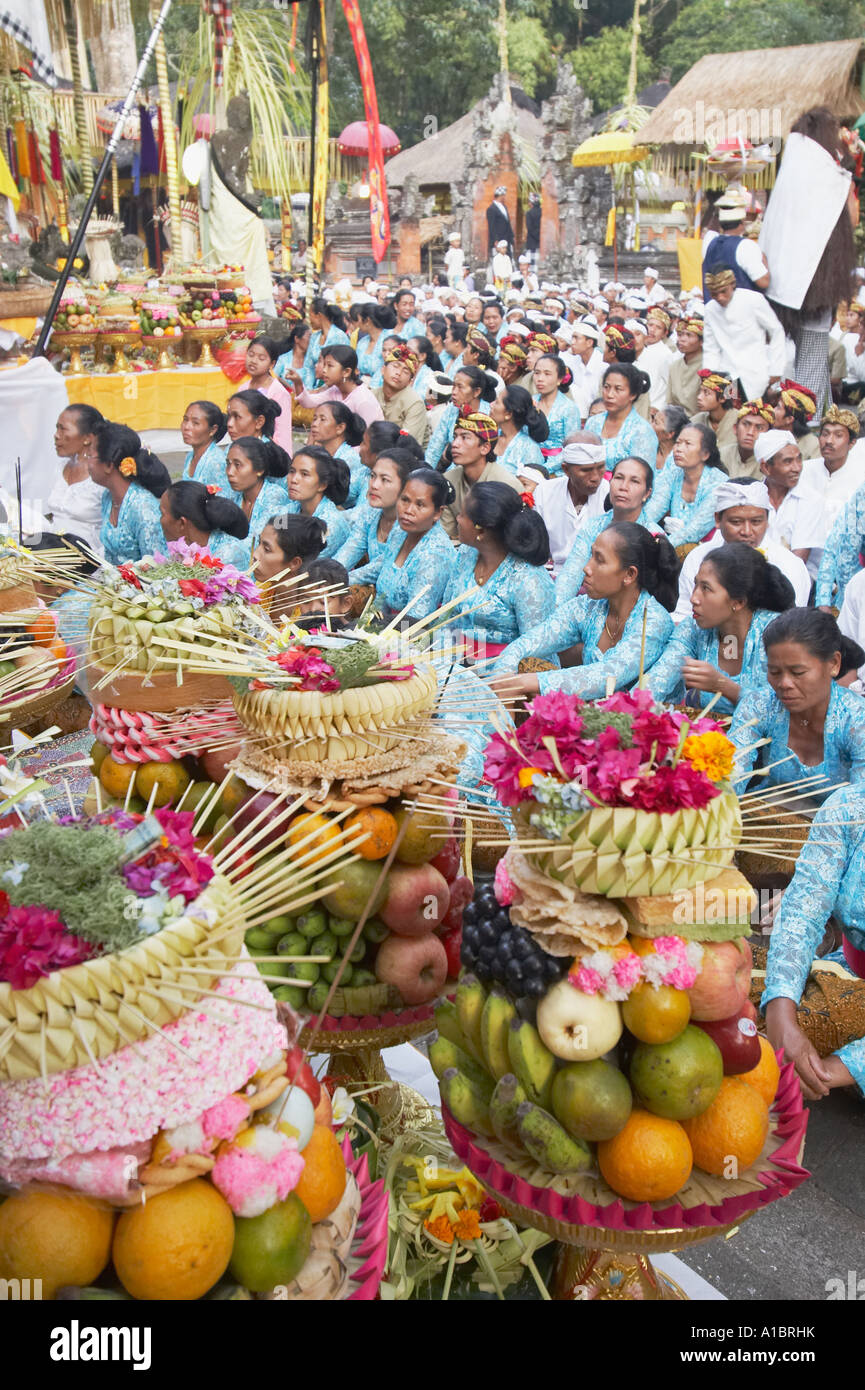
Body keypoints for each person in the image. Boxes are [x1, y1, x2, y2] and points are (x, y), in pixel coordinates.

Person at [488, 522, 678, 699]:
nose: (587, 568)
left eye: (599, 560)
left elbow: (608, 675)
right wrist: (503, 674)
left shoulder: (653, 621)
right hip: (595, 719)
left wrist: (527, 682)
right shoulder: (588, 607)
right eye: (591, 555)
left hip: (638, 728)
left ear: (629, 575)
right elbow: (529, 641)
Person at [763, 782, 865, 1098]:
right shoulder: (850, 808)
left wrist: (834, 1070)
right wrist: (781, 1010)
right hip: (848, 970)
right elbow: (803, 910)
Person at [761, 107, 859, 414]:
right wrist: (849, 166)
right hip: (814, 282)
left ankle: (811, 411)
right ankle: (809, 417)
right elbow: (851, 219)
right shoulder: (828, 173)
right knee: (813, 353)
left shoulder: (795, 162)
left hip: (785, 279)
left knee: (795, 351)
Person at [729, 608, 865, 800]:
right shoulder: (760, 704)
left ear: (834, 664)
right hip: (767, 811)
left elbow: (858, 809)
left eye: (798, 672)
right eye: (775, 672)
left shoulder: (857, 720)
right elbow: (731, 774)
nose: (784, 684)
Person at [647, 542, 795, 713]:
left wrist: (723, 685)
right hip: (705, 736)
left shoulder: (777, 635)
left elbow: (783, 710)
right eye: (696, 585)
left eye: (706, 588)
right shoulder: (694, 627)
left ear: (738, 602)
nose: (694, 598)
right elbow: (658, 680)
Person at [441, 481, 554, 660]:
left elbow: (536, 654)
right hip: (453, 661)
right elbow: (447, 616)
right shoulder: (467, 553)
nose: (457, 519)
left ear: (482, 530)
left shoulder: (529, 580)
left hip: (503, 675)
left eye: (462, 514)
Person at [673, 479, 811, 620]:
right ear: (717, 520)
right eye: (736, 522)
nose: (746, 531)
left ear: (767, 521)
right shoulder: (698, 557)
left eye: (756, 522)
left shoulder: (790, 565)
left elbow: (793, 627)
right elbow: (684, 615)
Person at [557, 455, 659, 603]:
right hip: (589, 604)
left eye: (634, 481)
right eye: (618, 478)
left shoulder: (654, 536)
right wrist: (556, 608)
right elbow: (571, 575)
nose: (623, 487)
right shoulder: (593, 526)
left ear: (647, 493)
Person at [364, 468, 457, 624]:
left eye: (420, 505)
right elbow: (380, 572)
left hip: (414, 637)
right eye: (405, 500)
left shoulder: (435, 555)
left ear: (437, 513)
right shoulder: (400, 532)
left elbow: (416, 621)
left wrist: (371, 628)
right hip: (385, 626)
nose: (408, 510)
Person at [84, 421, 169, 565]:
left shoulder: (143, 508)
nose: (87, 463)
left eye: (90, 455)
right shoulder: (108, 497)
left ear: (109, 465)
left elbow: (157, 569)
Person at [703, 268, 786, 399]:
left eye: (723, 292)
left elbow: (776, 331)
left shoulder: (753, 300)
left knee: (756, 415)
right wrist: (708, 377)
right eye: (714, 294)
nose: (720, 297)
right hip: (727, 374)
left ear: (732, 285)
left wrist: (776, 369)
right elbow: (710, 348)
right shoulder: (710, 309)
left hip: (756, 373)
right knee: (731, 416)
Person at [533, 433, 609, 575]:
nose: (595, 477)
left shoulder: (610, 495)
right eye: (586, 470)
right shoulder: (545, 492)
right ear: (566, 470)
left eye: (600, 468)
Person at [439, 412, 522, 541]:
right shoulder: (448, 481)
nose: (455, 444)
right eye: (455, 437)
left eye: (465, 438)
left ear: (485, 448)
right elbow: (447, 534)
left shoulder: (506, 485)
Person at [644, 421, 727, 548]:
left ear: (705, 454)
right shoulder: (674, 474)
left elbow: (694, 531)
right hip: (670, 544)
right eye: (677, 443)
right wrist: (656, 537)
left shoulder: (718, 484)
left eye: (688, 444)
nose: (678, 449)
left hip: (707, 549)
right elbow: (650, 513)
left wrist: (661, 546)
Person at [336, 447, 416, 576]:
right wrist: (326, 576)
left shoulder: (410, 522)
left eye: (385, 479)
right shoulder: (370, 512)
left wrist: (332, 580)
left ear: (406, 486)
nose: (374, 485)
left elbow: (378, 569)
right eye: (373, 476)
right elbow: (350, 549)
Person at [757, 430, 825, 571]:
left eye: (799, 459)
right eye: (788, 461)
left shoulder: (810, 500)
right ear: (766, 467)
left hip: (796, 575)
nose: (797, 468)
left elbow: (798, 561)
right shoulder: (752, 497)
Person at [279, 343, 383, 431]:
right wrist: (298, 383)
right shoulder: (335, 391)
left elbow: (368, 435)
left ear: (346, 372)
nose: (324, 370)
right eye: (324, 365)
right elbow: (308, 402)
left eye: (330, 366)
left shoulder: (363, 400)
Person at [803, 405, 865, 549]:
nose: (829, 441)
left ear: (852, 443)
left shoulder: (861, 478)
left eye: (838, 435)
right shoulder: (804, 470)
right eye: (825, 434)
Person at [48, 404, 105, 553]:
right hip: (53, 556)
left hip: (89, 563)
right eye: (56, 428)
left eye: (63, 429)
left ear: (87, 438)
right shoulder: (60, 467)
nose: (56, 435)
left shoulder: (102, 475)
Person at [584, 363, 659, 471]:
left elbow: (641, 475)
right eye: (606, 387)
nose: (610, 395)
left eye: (618, 389)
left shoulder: (642, 430)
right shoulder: (593, 422)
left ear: (632, 394)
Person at [159, 480, 250, 570]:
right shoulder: (182, 547)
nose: (160, 520)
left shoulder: (229, 555)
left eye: (162, 513)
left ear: (182, 523)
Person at [253, 513, 327, 619]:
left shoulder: (310, 614)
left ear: (294, 563)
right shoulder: (261, 589)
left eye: (267, 549)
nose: (255, 555)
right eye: (258, 543)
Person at [282, 444, 351, 557]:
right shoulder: (290, 509)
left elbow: (305, 566)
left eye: (304, 474)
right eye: (292, 471)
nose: (294, 480)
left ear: (322, 485)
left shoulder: (331, 524)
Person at [225, 437, 290, 552]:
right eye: (228, 464)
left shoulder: (276, 496)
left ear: (260, 469)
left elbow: (260, 543)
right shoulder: (234, 496)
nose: (230, 472)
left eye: (238, 465)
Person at [424, 365, 497, 467]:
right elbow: (435, 447)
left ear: (476, 392)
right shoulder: (451, 410)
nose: (454, 392)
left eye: (460, 387)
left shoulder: (489, 415)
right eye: (454, 386)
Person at [702, 188, 770, 293]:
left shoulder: (710, 243)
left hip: (713, 307)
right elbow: (764, 282)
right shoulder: (745, 246)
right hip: (742, 308)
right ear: (742, 221)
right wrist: (764, 260)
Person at [307, 400, 368, 507]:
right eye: (314, 419)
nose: (314, 424)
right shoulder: (319, 454)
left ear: (340, 428)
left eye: (322, 419)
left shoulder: (350, 460)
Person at [244, 335, 294, 455]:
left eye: (261, 358)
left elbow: (283, 435)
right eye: (251, 355)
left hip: (268, 453)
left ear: (272, 364)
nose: (254, 361)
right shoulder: (243, 388)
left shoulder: (278, 392)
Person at [373, 343, 429, 444]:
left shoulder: (415, 403)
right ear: (383, 369)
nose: (398, 373)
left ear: (410, 381)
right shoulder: (372, 395)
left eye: (405, 371)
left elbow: (407, 444)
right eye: (395, 366)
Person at [488, 385, 549, 475]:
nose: (491, 405)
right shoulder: (489, 437)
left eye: (497, 402)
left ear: (508, 414)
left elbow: (532, 485)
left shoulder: (529, 449)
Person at [180, 400, 233, 497]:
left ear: (213, 430)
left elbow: (222, 501)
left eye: (195, 423)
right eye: (185, 420)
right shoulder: (190, 456)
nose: (186, 427)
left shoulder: (216, 462)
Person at [719, 399, 773, 479]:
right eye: (746, 424)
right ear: (735, 428)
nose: (750, 432)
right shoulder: (721, 455)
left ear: (768, 434)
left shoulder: (771, 464)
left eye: (759, 428)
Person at [773, 378, 820, 460]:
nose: (772, 410)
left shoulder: (813, 445)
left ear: (789, 419)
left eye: (778, 407)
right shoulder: (768, 436)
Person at [568, 317, 606, 419]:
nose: (572, 342)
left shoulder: (603, 365)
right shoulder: (572, 362)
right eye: (572, 338)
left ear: (589, 342)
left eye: (576, 338)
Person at [692, 367, 738, 449]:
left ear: (722, 398)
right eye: (700, 391)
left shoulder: (739, 421)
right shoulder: (695, 421)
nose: (699, 397)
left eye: (706, 393)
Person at [667, 315, 703, 415]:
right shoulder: (674, 366)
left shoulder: (709, 367)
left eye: (689, 335)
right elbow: (669, 402)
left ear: (701, 341)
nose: (682, 339)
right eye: (680, 334)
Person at [355, 302, 398, 381]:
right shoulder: (362, 342)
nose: (357, 324)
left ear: (367, 321)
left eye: (359, 320)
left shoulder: (390, 340)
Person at [651, 403, 690, 472]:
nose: (650, 425)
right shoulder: (648, 449)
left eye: (656, 423)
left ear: (669, 434)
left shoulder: (680, 462)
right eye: (652, 420)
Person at [487, 185, 514, 258]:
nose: (505, 197)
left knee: (508, 258)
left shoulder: (504, 207)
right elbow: (491, 226)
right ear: (501, 196)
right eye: (504, 195)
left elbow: (507, 223)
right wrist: (495, 240)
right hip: (498, 239)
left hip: (506, 238)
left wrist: (511, 236)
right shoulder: (491, 209)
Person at [524, 191, 541, 267]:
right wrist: (540, 237)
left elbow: (530, 228)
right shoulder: (542, 212)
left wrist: (536, 237)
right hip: (541, 244)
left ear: (531, 203)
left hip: (532, 243)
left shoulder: (529, 213)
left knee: (531, 267)